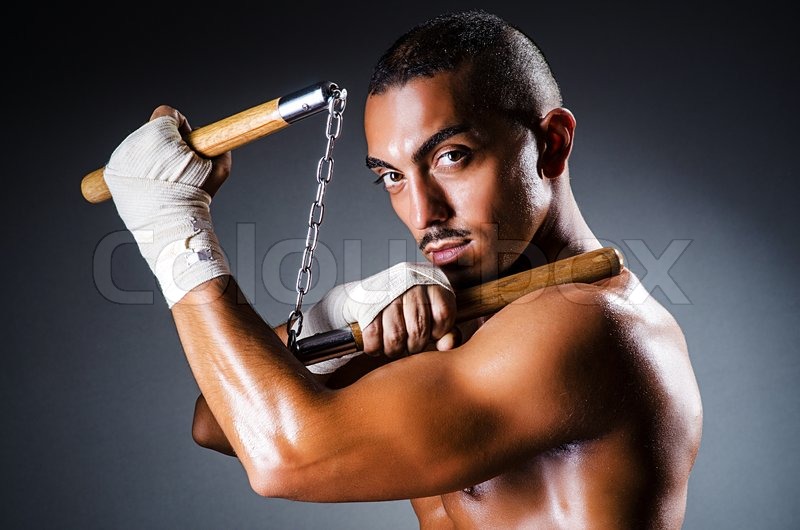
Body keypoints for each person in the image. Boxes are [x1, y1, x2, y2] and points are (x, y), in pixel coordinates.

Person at [102, 9, 703, 529]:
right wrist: (339, 313)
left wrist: (172, 225)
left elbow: (284, 454)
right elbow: (217, 419)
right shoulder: (470, 308)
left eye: (451, 157)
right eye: (391, 175)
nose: (423, 214)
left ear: (551, 144)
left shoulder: (588, 327)